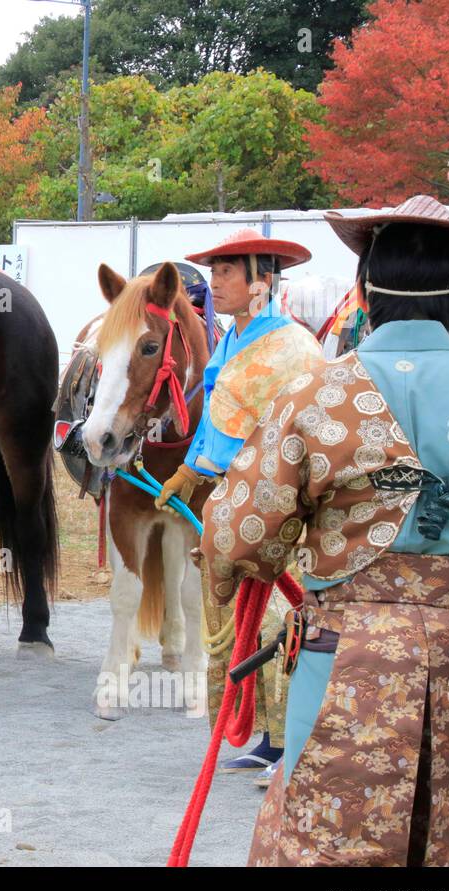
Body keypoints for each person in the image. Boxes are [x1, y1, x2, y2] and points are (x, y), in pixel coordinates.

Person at [202, 195, 449, 865]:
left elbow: (239, 538)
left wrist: (233, 570)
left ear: (363, 290)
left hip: (343, 659)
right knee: (445, 845)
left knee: (324, 850)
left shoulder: (314, 394)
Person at [155, 229, 321, 781]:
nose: (215, 282)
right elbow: (216, 415)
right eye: (215, 271)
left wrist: (198, 467)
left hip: (279, 500)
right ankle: (267, 736)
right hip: (235, 496)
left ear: (263, 282)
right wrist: (188, 468)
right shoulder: (233, 338)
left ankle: (291, 740)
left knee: (279, 615)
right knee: (236, 618)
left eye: (228, 271)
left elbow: (258, 430)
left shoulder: (289, 346)